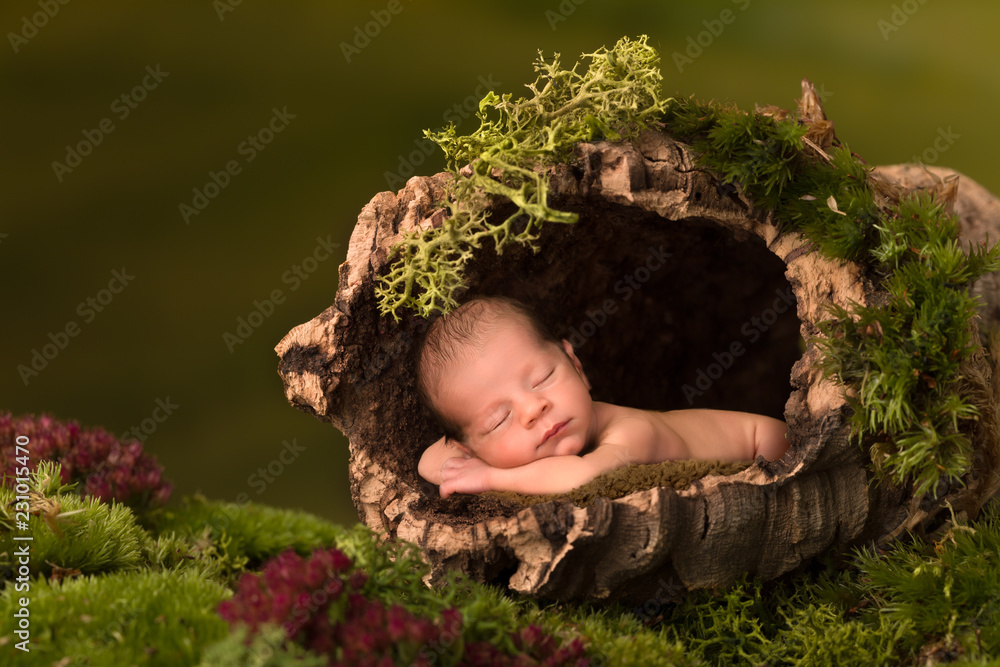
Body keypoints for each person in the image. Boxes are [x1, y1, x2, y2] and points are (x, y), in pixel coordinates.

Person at [416, 295, 790, 498]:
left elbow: (582, 478)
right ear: (468, 447)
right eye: (498, 420)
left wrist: (488, 477)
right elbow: (430, 461)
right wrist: (471, 460)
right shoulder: (472, 447)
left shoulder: (631, 434)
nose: (533, 407)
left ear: (575, 365)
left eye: (543, 378)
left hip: (767, 444)